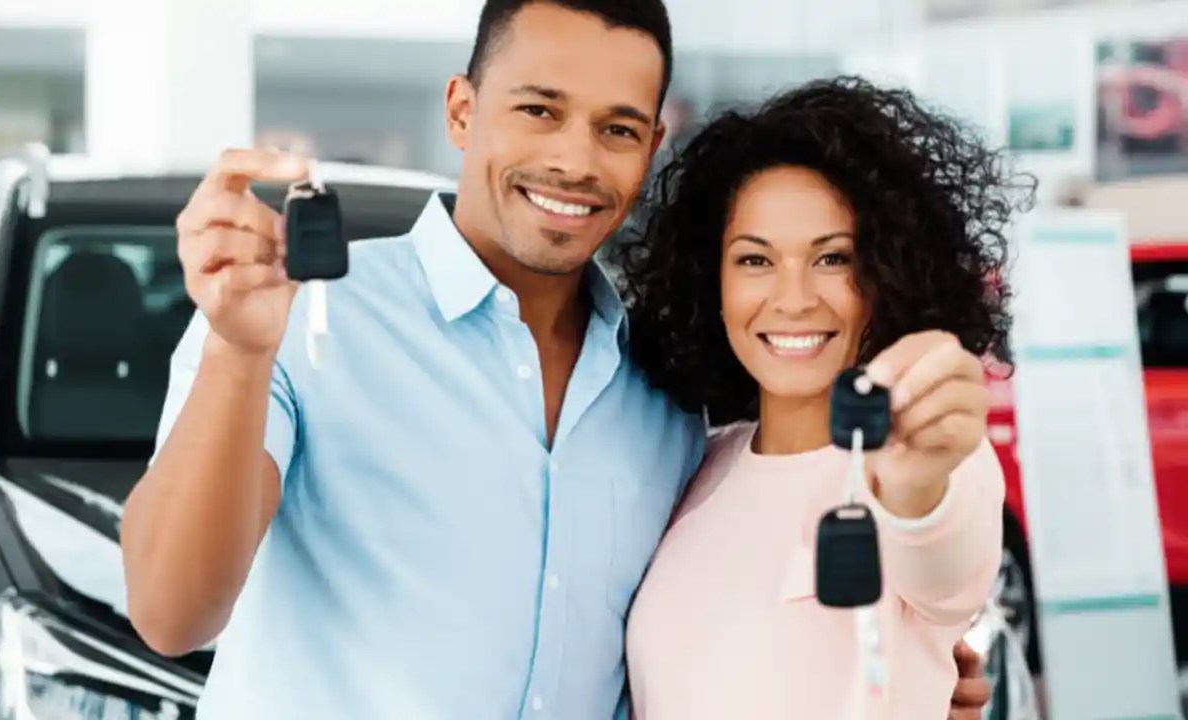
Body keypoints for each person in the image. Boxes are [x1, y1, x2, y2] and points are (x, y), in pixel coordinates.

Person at [120, 1, 994, 717]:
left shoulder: (665, 398)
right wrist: (238, 349)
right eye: (539, 110)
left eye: (617, 128)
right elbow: (169, 614)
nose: (575, 159)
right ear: (462, 110)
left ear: (652, 148)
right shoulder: (306, 320)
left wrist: (903, 678)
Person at [615, 77, 1037, 719]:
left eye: (833, 259)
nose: (793, 299)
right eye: (755, 261)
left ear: (888, 273)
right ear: (710, 279)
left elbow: (943, 562)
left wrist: (913, 484)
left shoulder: (926, 464)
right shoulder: (701, 462)